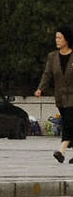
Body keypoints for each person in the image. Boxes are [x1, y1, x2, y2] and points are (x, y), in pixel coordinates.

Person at [34, 25, 73, 165]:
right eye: (56, 37)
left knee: (69, 123)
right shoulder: (52, 57)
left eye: (59, 37)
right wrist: (40, 89)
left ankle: (61, 151)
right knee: (69, 123)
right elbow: (47, 75)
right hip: (61, 98)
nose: (57, 40)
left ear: (67, 39)